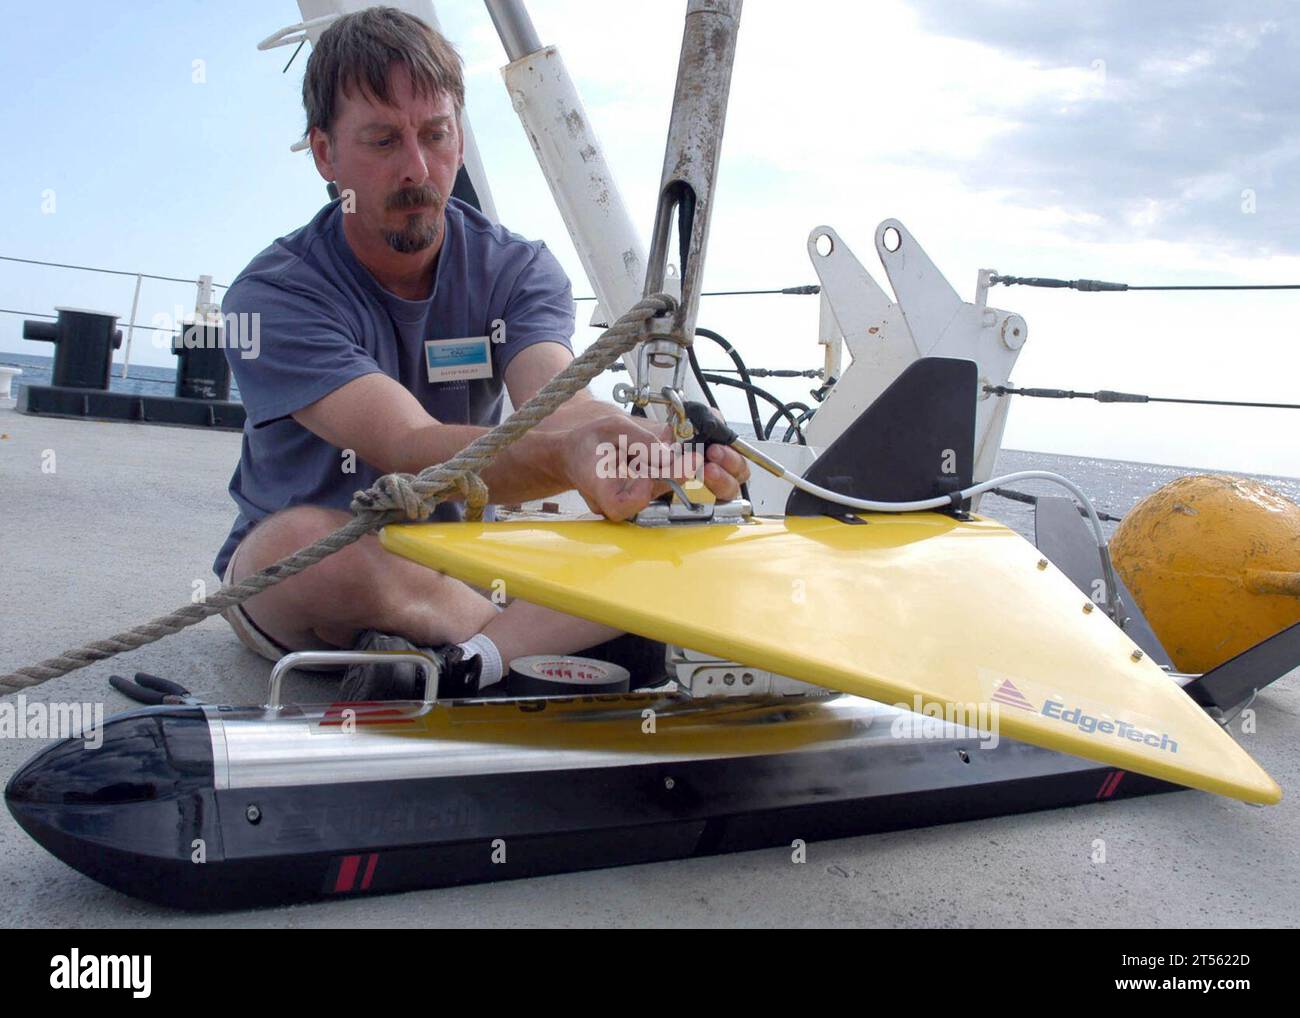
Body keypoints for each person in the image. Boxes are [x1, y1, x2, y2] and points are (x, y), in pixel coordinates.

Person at [212, 7, 749, 699]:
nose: (417, 168)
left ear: (460, 137)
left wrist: (647, 449)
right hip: (326, 568)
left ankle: (468, 656)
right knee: (306, 550)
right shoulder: (274, 295)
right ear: (325, 154)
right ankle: (527, 648)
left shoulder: (517, 268)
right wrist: (566, 456)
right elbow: (408, 445)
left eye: (436, 135)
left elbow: (558, 404)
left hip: (463, 564)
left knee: (685, 530)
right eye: (383, 140)